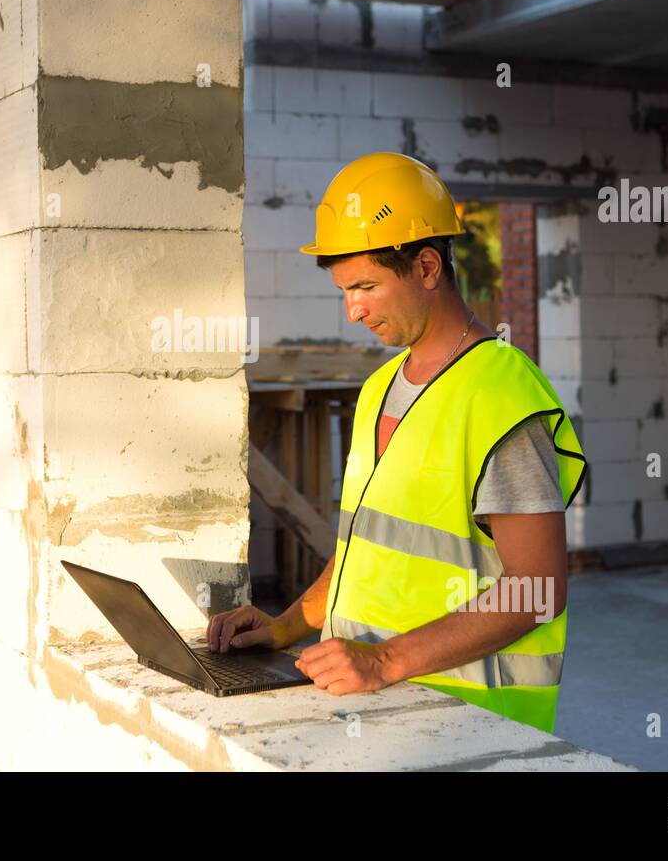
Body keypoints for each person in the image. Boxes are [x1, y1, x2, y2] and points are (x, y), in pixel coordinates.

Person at [207, 152, 587, 734]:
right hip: (378, 711)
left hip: (470, 723)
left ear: (428, 267)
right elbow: (369, 550)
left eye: (366, 286)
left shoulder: (501, 397)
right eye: (344, 289)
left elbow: (538, 589)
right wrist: (287, 625)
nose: (352, 310)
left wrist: (383, 660)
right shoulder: (381, 387)